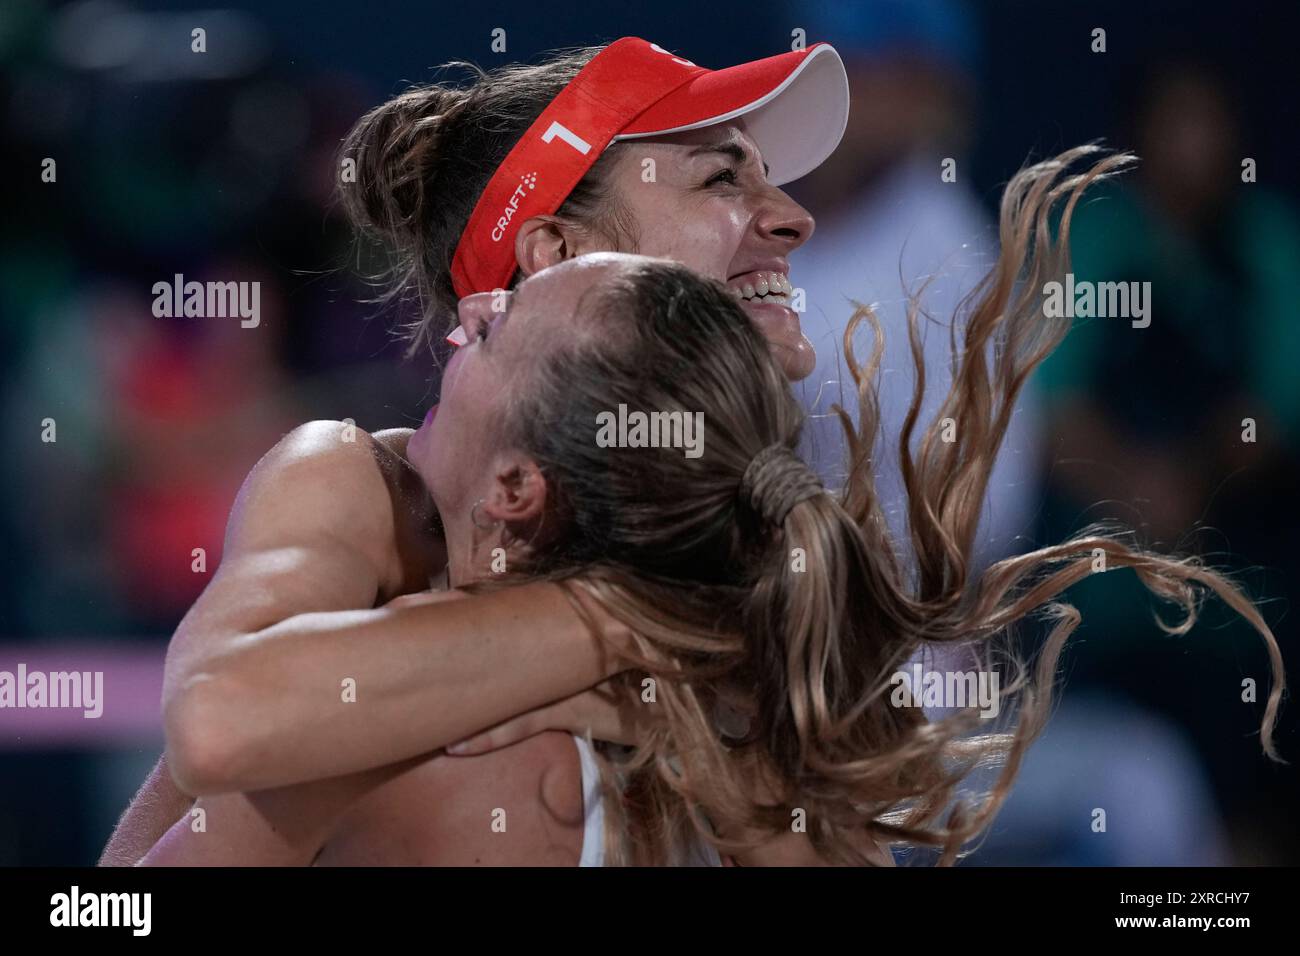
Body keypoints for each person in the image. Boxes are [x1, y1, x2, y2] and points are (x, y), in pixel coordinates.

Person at [142, 232, 1282, 867]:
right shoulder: (769, 749)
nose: (468, 307)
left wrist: (596, 626)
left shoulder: (384, 743)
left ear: (516, 488)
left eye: (497, 328)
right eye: (726, 175)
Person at [100, 35, 852, 865]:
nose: (794, 215)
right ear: (560, 253)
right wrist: (642, 628)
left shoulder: (762, 528)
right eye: (722, 175)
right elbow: (209, 734)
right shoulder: (367, 491)